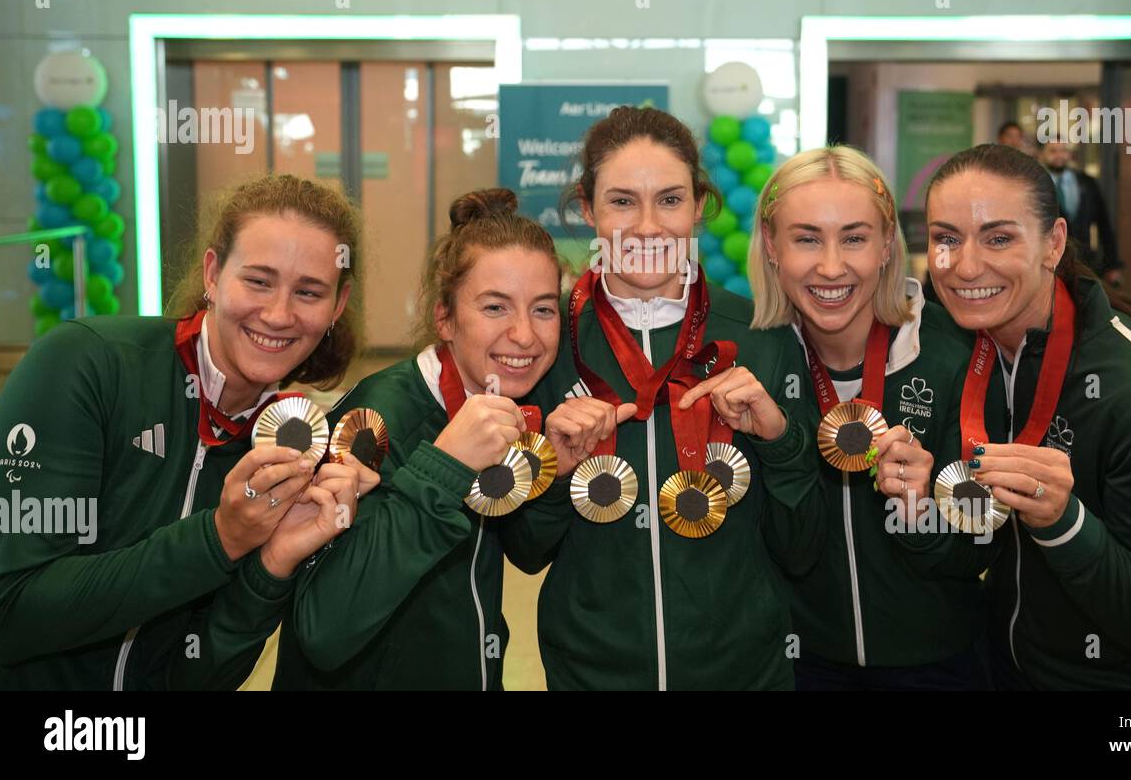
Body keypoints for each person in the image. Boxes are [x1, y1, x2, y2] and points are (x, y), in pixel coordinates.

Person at [0, 174, 375, 689]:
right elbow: (10, 613)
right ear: (213, 275)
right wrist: (219, 537)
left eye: (309, 292)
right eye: (258, 280)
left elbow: (200, 675)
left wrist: (272, 564)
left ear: (336, 306)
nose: (280, 314)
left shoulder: (290, 445)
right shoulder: (86, 364)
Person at [504, 105, 822, 690]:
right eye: (622, 201)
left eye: (670, 200)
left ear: (699, 206)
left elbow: (801, 549)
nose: (648, 227)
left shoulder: (762, 334)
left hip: (742, 670)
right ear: (586, 208)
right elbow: (526, 550)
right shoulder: (548, 341)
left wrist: (780, 443)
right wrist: (550, 473)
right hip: (592, 670)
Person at [924, 143, 1131, 690]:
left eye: (999, 238)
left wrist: (1065, 524)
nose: (965, 265)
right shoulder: (973, 355)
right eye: (946, 238)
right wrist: (921, 497)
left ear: (1054, 243)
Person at [274, 188, 567, 690]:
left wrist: (556, 474)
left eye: (543, 309)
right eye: (495, 308)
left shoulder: (495, 402)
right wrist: (444, 468)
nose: (525, 335)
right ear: (445, 318)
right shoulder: (376, 421)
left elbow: (526, 550)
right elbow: (323, 627)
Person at [750, 145, 988, 689]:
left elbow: (982, 548)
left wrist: (923, 511)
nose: (831, 266)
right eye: (806, 238)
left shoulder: (956, 357)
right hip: (800, 665)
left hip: (942, 665)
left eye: (854, 238)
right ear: (771, 245)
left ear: (885, 245)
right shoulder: (756, 368)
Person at [1038, 137, 1124, 284]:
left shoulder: (1087, 183)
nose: (1059, 155)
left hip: (1085, 262)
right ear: (1042, 154)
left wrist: (1113, 264)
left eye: (1063, 150)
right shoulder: (1035, 185)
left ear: (1070, 154)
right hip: (1048, 263)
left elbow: (1104, 225)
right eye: (1053, 151)